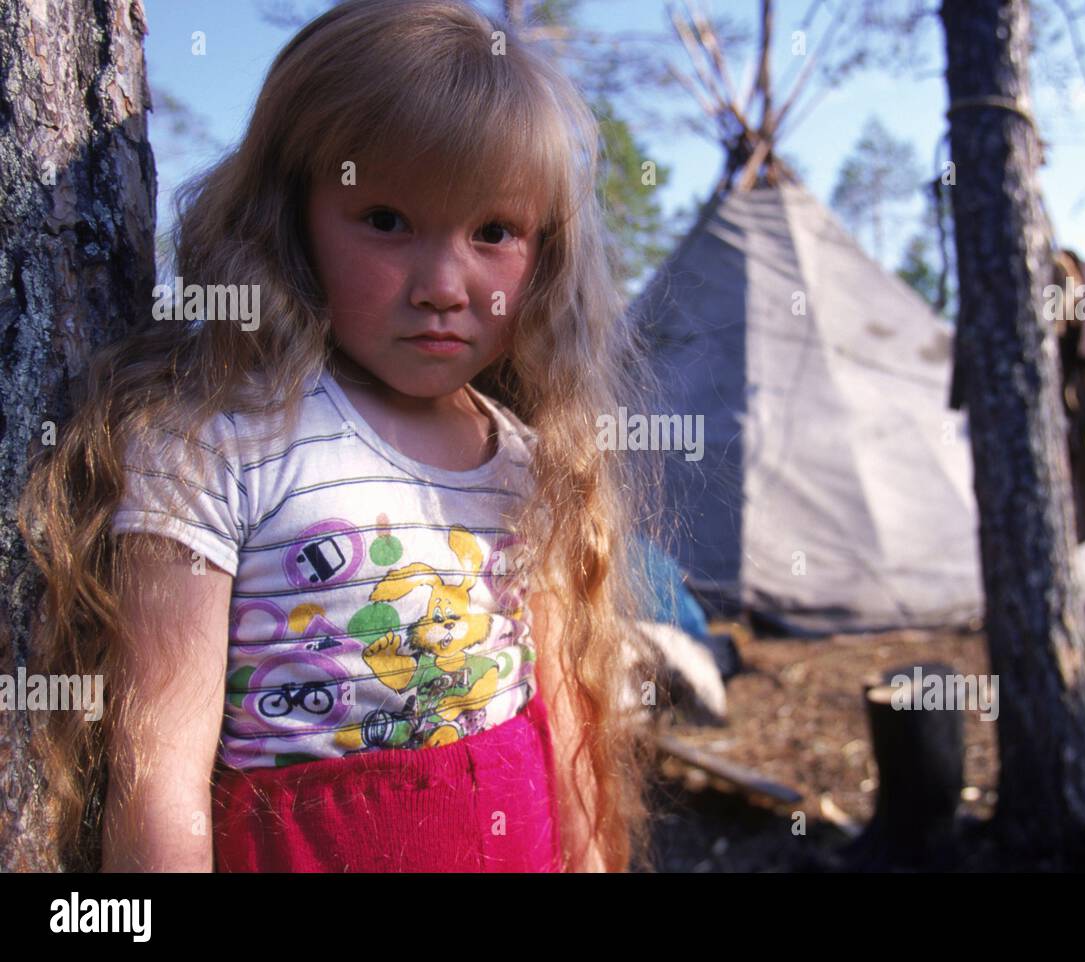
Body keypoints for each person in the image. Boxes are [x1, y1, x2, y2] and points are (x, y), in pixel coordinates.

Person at [18, 0, 672, 873]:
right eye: (388, 221)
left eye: (494, 232)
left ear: (545, 253)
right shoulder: (214, 446)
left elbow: (569, 721)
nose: (445, 284)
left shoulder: (527, 463)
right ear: (290, 218)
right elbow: (160, 779)